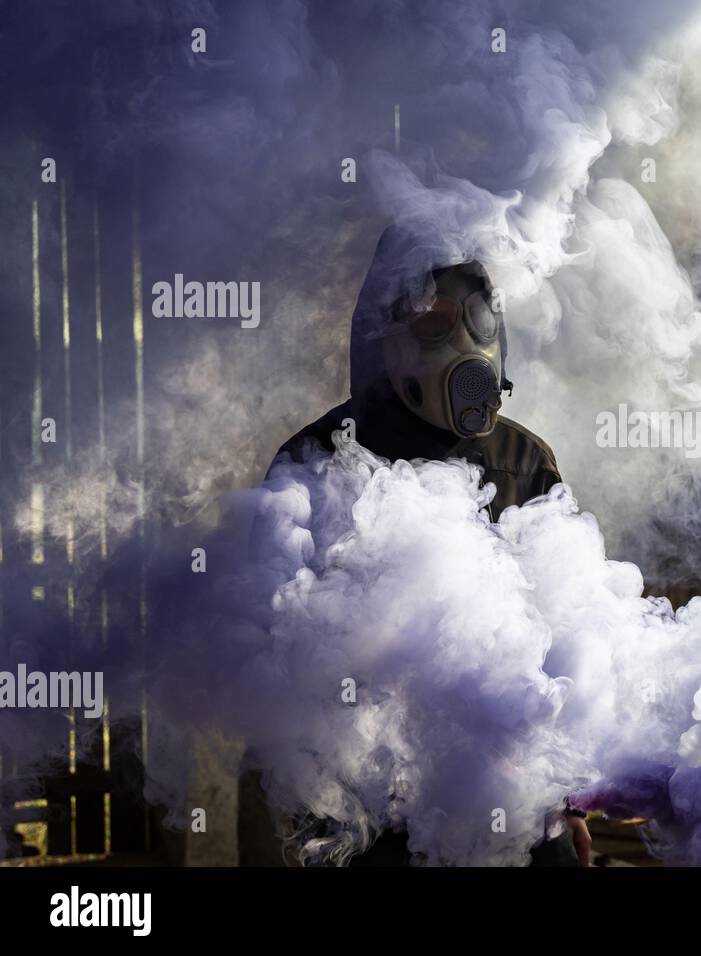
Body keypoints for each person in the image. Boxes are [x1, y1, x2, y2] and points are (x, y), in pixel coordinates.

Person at [240, 225, 592, 866]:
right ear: (384, 337)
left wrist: (562, 796)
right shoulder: (316, 461)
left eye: (480, 317)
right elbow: (275, 655)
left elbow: (562, 634)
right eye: (432, 320)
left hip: (508, 789)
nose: (465, 343)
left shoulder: (523, 458)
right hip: (369, 805)